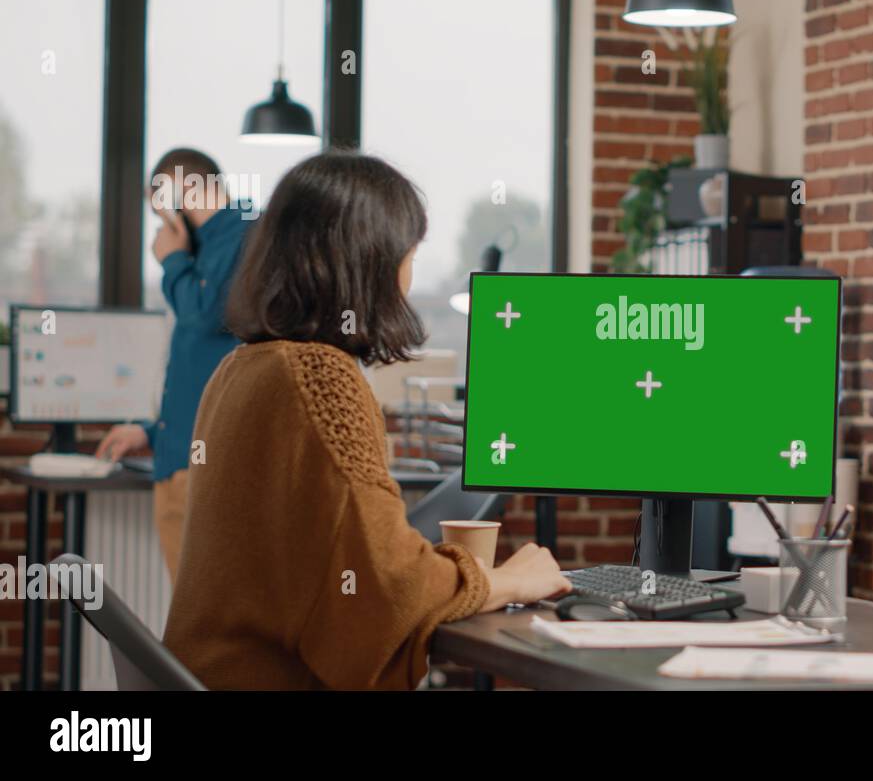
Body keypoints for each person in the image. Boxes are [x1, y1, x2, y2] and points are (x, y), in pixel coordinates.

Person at [162, 151, 570, 690]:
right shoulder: (319, 375)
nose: (407, 277)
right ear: (370, 260)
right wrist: (507, 580)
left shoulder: (240, 366)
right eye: (409, 254)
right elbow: (386, 585)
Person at [96, 148, 251, 581]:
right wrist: (149, 432)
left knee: (205, 625)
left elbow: (205, 317)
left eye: (162, 209)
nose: (164, 226)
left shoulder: (244, 236)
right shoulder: (203, 251)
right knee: (190, 625)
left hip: (209, 471)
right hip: (181, 463)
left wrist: (172, 259)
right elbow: (199, 367)